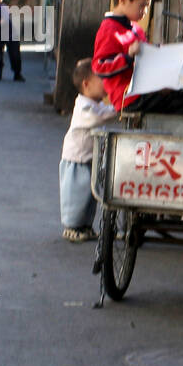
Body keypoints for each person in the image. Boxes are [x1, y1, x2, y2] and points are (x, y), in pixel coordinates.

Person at [92, 0, 183, 114]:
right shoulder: (109, 30)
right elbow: (99, 66)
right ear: (122, 0)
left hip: (145, 90)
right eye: (142, 5)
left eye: (148, 6)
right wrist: (128, 58)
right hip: (129, 98)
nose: (145, 11)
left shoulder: (136, 29)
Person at [59, 59, 117, 242]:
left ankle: (85, 225)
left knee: (89, 195)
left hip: (89, 157)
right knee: (75, 194)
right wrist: (119, 108)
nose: (106, 83)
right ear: (86, 84)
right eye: (102, 79)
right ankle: (72, 226)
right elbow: (97, 118)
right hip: (76, 158)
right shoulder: (84, 106)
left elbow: (106, 111)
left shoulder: (96, 104)